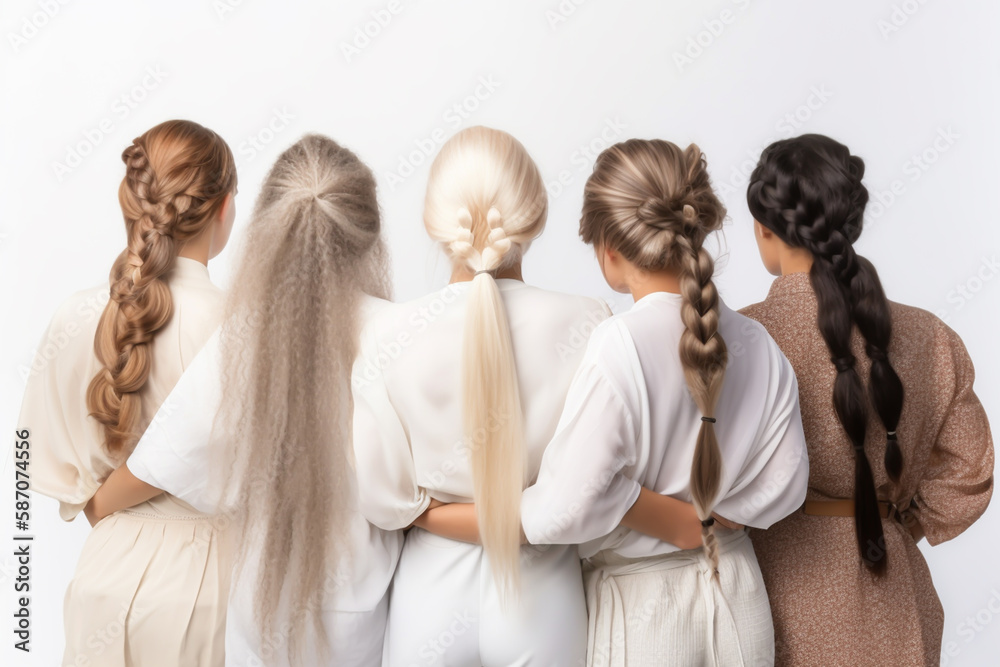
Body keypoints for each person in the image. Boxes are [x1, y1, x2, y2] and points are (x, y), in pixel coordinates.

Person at [87, 134, 400, 666]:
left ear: (268, 228)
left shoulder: (246, 335)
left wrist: (95, 506)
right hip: (371, 610)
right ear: (368, 234)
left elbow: (169, 455)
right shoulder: (399, 333)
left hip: (262, 604)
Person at [518, 139, 810, 666]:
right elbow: (787, 486)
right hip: (740, 594)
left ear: (609, 248)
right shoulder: (758, 342)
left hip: (646, 614)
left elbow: (561, 511)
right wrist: (715, 519)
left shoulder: (618, 344)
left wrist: (633, 503)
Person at [351, 126, 614, 666]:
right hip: (545, 593)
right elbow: (598, 483)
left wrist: (428, 513)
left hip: (429, 595)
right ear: (536, 215)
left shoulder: (386, 332)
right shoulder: (590, 322)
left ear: (433, 220)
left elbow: (379, 495)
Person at [741, 133, 994, 666]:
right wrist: (898, 524)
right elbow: (970, 471)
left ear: (765, 229)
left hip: (774, 592)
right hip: (894, 600)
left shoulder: (744, 338)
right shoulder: (930, 336)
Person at [17, 119, 238, 666]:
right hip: (212, 584)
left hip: (103, 571)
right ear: (223, 207)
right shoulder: (245, 327)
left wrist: (106, 499)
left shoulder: (74, 316)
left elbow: (33, 455)